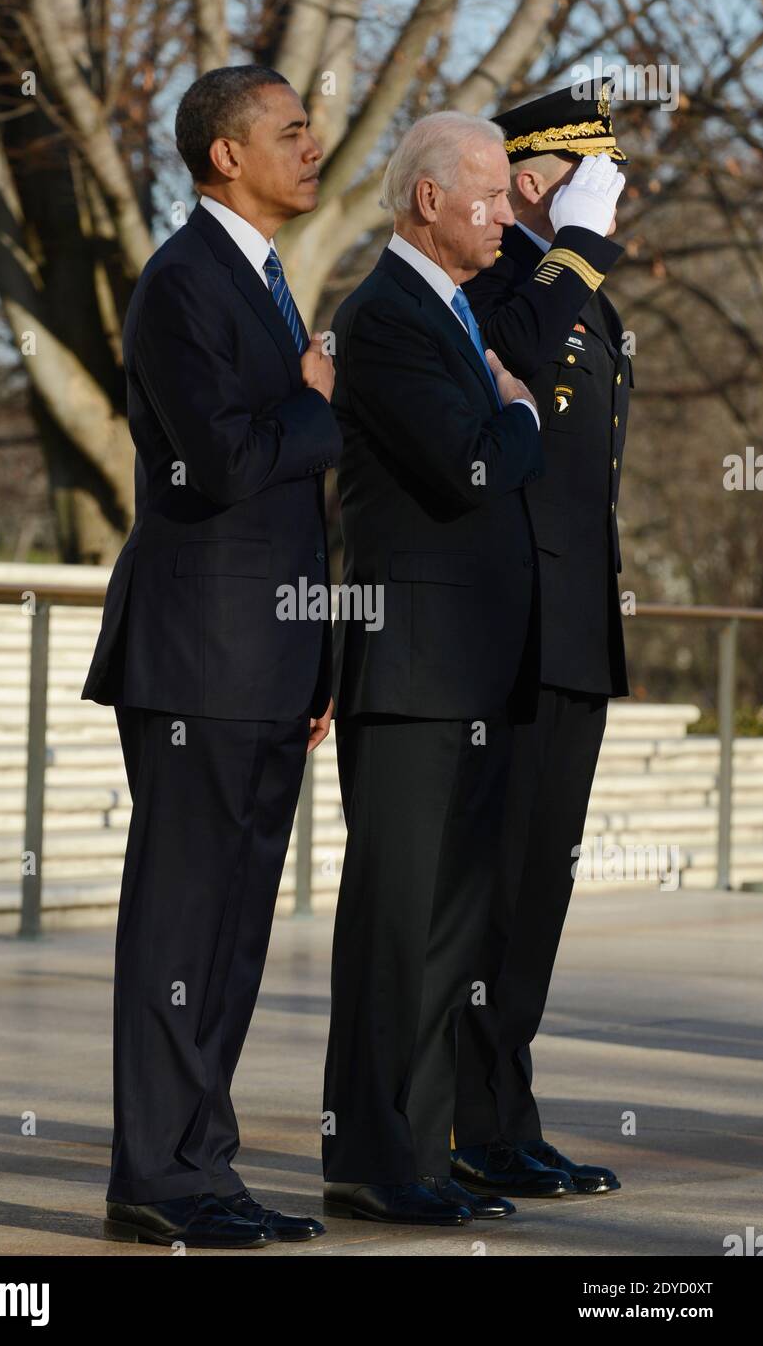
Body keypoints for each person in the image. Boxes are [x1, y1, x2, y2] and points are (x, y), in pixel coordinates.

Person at [81, 65, 342, 1249]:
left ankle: (203, 1165)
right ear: (225, 156)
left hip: (269, 657)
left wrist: (319, 658)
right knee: (182, 925)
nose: (313, 144)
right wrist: (318, 401)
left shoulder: (265, 281)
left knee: (236, 932)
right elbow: (221, 465)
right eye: (290, 131)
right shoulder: (181, 283)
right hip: (196, 661)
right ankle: (154, 1177)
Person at [321, 112, 544, 1225]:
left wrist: (502, 403)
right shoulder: (387, 316)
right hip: (411, 671)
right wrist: (514, 409)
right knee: (396, 923)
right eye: (492, 197)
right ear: (428, 202)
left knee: (452, 928)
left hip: (467, 670)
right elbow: (467, 468)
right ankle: (369, 1155)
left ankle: (422, 1145)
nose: (508, 216)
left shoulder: (449, 313)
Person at [451, 79, 631, 1198]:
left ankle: (506, 1111)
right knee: (496, 887)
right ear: (529, 178)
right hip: (506, 630)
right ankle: (469, 1116)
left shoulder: (576, 279)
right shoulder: (493, 276)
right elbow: (511, 351)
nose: (606, 191)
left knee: (541, 889)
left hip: (572, 626)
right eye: (583, 171)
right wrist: (573, 245)